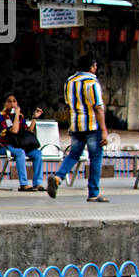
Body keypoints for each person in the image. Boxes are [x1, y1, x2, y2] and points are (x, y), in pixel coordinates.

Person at [47, 54, 107, 202]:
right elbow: (98, 107)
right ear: (91, 67)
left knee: (73, 154)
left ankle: (58, 177)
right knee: (95, 158)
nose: (96, 68)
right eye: (95, 66)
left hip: (76, 125)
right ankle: (93, 193)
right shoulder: (92, 83)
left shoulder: (69, 81)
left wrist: (70, 124)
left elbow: (68, 107)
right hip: (92, 126)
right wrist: (104, 130)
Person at [0, 93, 45, 191]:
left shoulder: (20, 116)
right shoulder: (1, 116)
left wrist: (34, 118)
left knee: (37, 153)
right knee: (20, 152)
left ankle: (37, 183)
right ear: (4, 104)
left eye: (14, 101)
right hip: (2, 146)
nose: (12, 104)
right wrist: (16, 115)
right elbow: (14, 130)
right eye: (9, 101)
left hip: (17, 144)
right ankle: (24, 184)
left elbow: (28, 132)